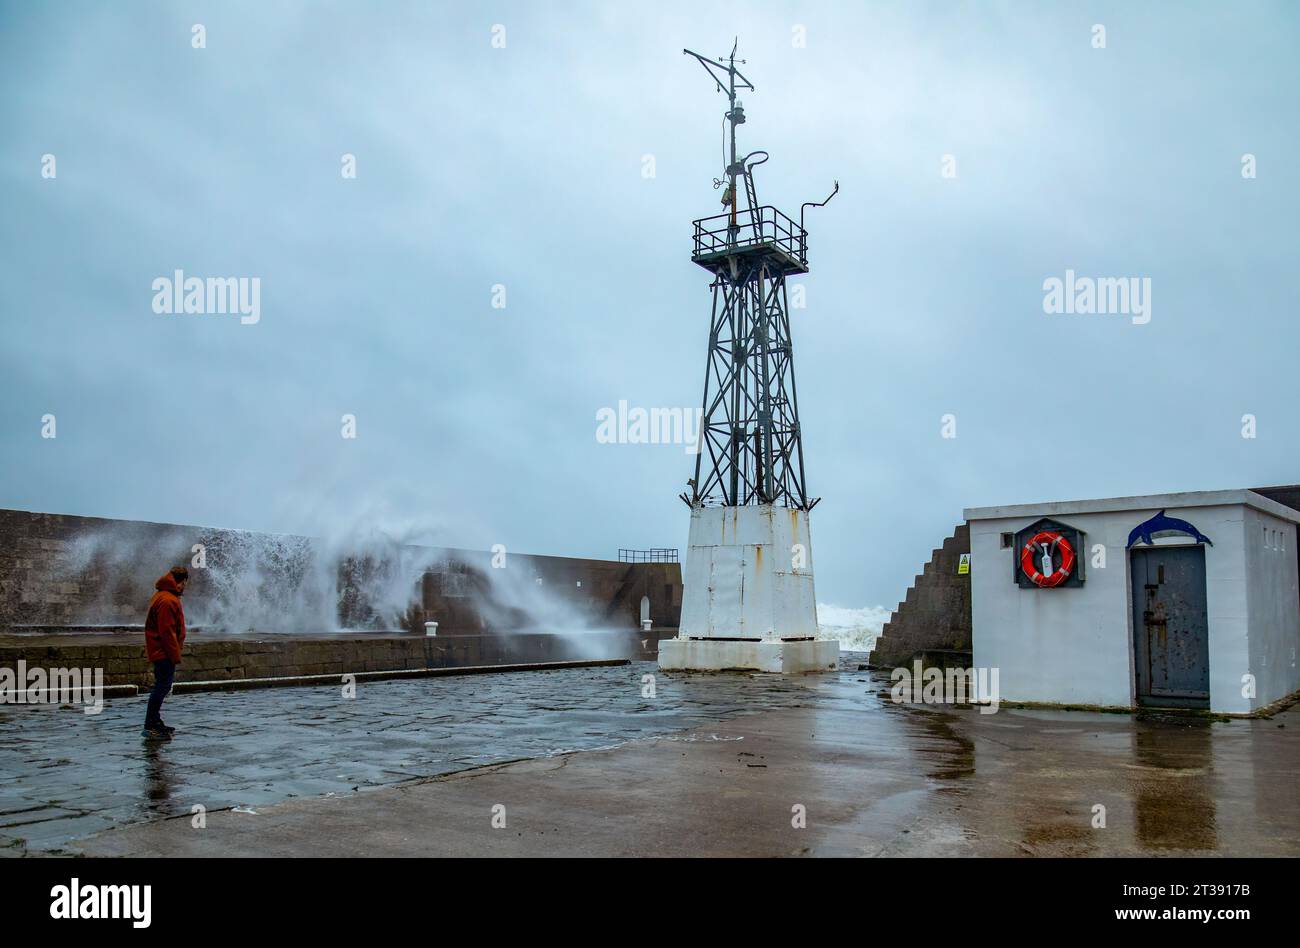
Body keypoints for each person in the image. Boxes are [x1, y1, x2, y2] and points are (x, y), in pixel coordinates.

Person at [142, 566, 188, 741]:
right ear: (181, 581)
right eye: (184, 583)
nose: (184, 587)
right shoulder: (168, 600)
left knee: (162, 686)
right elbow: (167, 632)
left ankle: (155, 721)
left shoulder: (164, 596)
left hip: (161, 651)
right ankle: (150, 725)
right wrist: (174, 655)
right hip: (163, 652)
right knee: (162, 687)